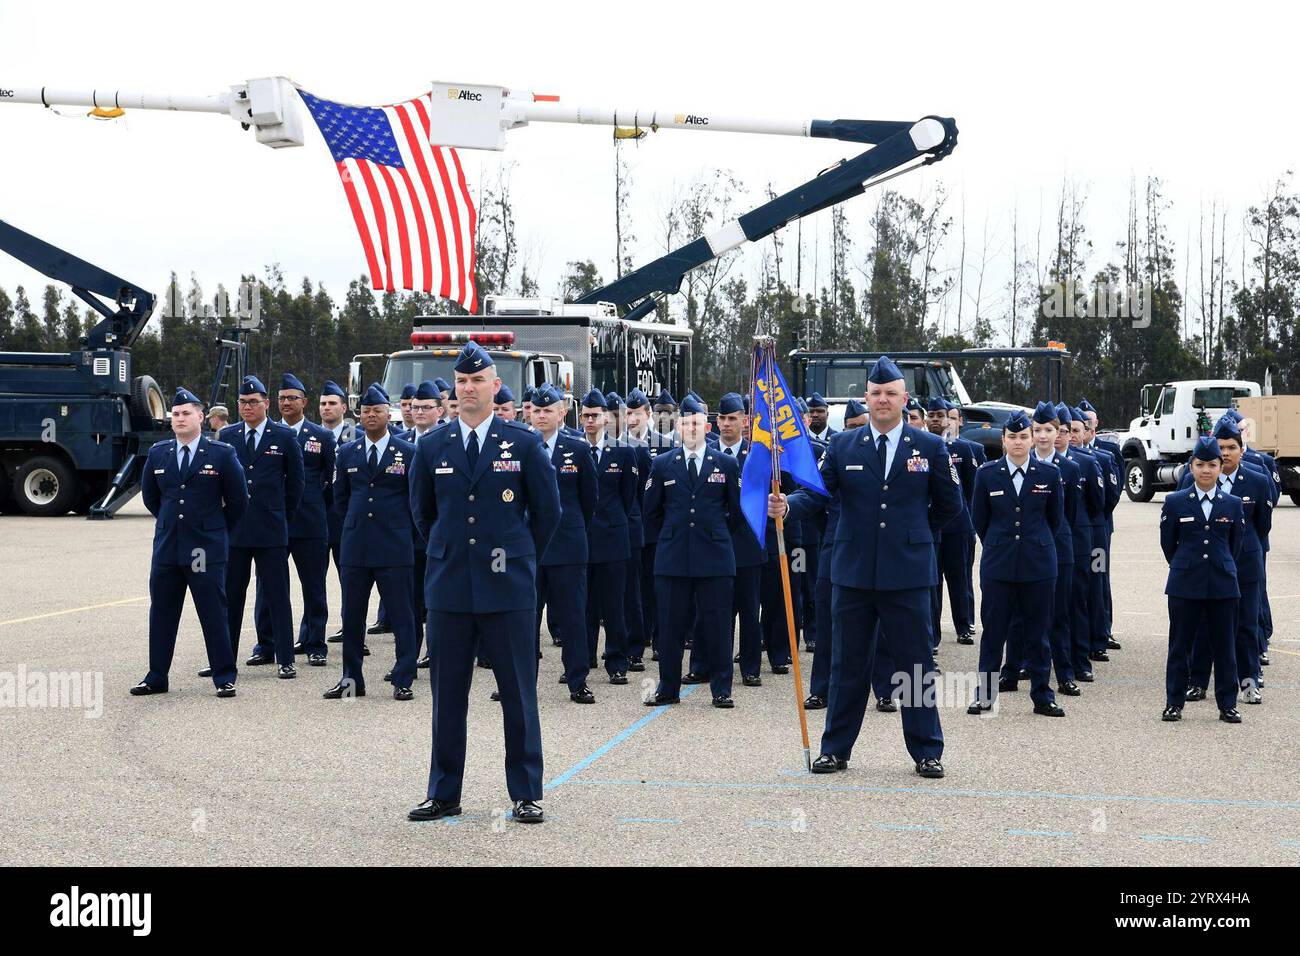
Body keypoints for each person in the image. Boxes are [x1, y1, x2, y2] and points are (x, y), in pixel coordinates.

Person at [771, 356, 962, 778]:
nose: (882, 400)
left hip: (908, 575)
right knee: (847, 665)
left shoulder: (929, 447)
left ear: (903, 399)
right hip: (853, 574)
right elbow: (818, 495)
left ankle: (928, 751)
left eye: (890, 393)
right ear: (866, 398)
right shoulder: (842, 446)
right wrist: (787, 507)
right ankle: (835, 749)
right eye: (875, 393)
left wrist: (914, 535)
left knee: (916, 667)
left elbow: (950, 505)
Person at [408, 341, 560, 824]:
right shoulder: (433, 445)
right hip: (450, 587)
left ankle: (526, 791)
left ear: (496, 387)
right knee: (447, 696)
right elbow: (423, 514)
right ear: (455, 388)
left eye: (478, 380)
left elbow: (548, 513)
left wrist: (518, 555)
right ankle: (444, 791)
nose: (469, 387)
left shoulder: (524, 442)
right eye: (462, 380)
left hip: (508, 588)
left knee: (518, 694)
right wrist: (449, 552)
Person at [131, 388, 247, 698]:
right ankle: (157, 676)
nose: (180, 419)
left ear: (201, 417)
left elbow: (238, 501)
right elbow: (152, 497)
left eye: (186, 413)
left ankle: (224, 676)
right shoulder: (159, 453)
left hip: (205, 549)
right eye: (176, 414)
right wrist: (171, 524)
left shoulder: (222, 454)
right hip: (168, 548)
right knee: (162, 612)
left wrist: (216, 530)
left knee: (213, 612)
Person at [642, 394, 741, 708]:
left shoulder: (725, 463)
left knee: (718, 625)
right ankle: (668, 689)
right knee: (670, 627)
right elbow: (651, 512)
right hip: (673, 559)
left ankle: (721, 689)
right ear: (677, 427)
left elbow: (737, 513)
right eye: (685, 423)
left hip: (714, 557)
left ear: (707, 426)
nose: (691, 428)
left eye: (696, 422)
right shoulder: (662, 464)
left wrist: (714, 533)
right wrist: (674, 535)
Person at [323, 385, 420, 701]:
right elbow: (341, 499)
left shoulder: (407, 452)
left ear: (387, 414)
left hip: (394, 545)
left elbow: (417, 499)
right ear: (359, 415)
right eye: (365, 411)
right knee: (352, 616)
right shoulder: (348, 452)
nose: (370, 416)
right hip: (356, 545)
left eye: (376, 411)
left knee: (402, 614)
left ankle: (403, 677)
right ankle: (351, 680)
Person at [967, 408, 1065, 717]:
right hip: (999, 564)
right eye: (1013, 437)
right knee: (994, 632)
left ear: (1033, 438)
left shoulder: (1049, 474)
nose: (1019, 442)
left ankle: (1042, 695)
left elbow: (1056, 520)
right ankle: (985, 695)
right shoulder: (987, 473)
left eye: (1025, 436)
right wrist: (1000, 543)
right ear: (1003, 440)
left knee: (1038, 633)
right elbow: (979, 520)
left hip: (1038, 565)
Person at [1177, 418, 1272, 705]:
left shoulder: (1257, 480)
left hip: (1245, 566)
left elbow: (1262, 525)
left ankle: (1248, 682)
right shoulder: (1192, 478)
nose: (1227, 452)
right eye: (1222, 448)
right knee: (1204, 626)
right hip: (1206, 567)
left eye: (1232, 447)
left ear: (1242, 450)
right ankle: (1198, 682)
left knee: (1245, 626)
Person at [215, 376, 304, 680]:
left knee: (277, 596)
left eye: (253, 402)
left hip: (271, 528)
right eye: (242, 402)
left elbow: (296, 483)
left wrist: (282, 515)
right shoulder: (227, 436)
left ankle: (285, 659)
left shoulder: (283, 436)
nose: (247, 407)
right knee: (231, 597)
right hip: (237, 531)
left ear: (266, 404)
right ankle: (223, 659)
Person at [252, 373, 336, 667]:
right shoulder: (268, 433)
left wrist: (315, 507)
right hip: (273, 523)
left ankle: (315, 643)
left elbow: (329, 480)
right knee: (267, 588)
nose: (287, 403)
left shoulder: (321, 437)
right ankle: (266, 645)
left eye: (293, 398)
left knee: (314, 586)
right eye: (282, 398)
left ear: (305, 402)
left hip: (311, 522)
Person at [1159, 436, 1244, 723]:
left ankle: (1227, 704)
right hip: (1185, 584)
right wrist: (1186, 566)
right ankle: (1174, 702)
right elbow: (1168, 544)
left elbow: (1236, 545)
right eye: (1200, 465)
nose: (1206, 470)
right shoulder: (1175, 501)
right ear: (1191, 467)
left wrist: (1218, 566)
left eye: (1211, 464)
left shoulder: (1232, 504)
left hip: (1222, 583)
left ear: (1220, 467)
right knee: (1180, 646)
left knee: (1225, 647)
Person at [531, 384, 599, 702]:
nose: (542, 415)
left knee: (573, 616)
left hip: (568, 545)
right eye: (537, 410)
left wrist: (572, 530)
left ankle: (577, 680)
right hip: (528, 548)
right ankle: (518, 681)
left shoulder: (579, 448)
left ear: (562, 413)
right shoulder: (517, 446)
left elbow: (589, 500)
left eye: (549, 410)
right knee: (523, 617)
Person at [578, 389, 637, 683]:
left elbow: (628, 498)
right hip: (582, 539)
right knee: (583, 604)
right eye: (586, 415)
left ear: (605, 418)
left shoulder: (623, 452)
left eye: (595, 415)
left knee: (614, 605)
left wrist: (612, 521)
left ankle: (617, 661)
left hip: (613, 539)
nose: (590, 420)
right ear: (581, 417)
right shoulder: (572, 450)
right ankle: (585, 657)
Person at [926, 398, 977, 649]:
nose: (936, 419)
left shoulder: (963, 449)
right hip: (931, 527)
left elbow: (970, 489)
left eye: (940, 415)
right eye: (932, 415)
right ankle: (931, 633)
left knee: (959, 579)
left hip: (958, 525)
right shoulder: (922, 447)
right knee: (932, 582)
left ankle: (964, 626)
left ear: (949, 419)